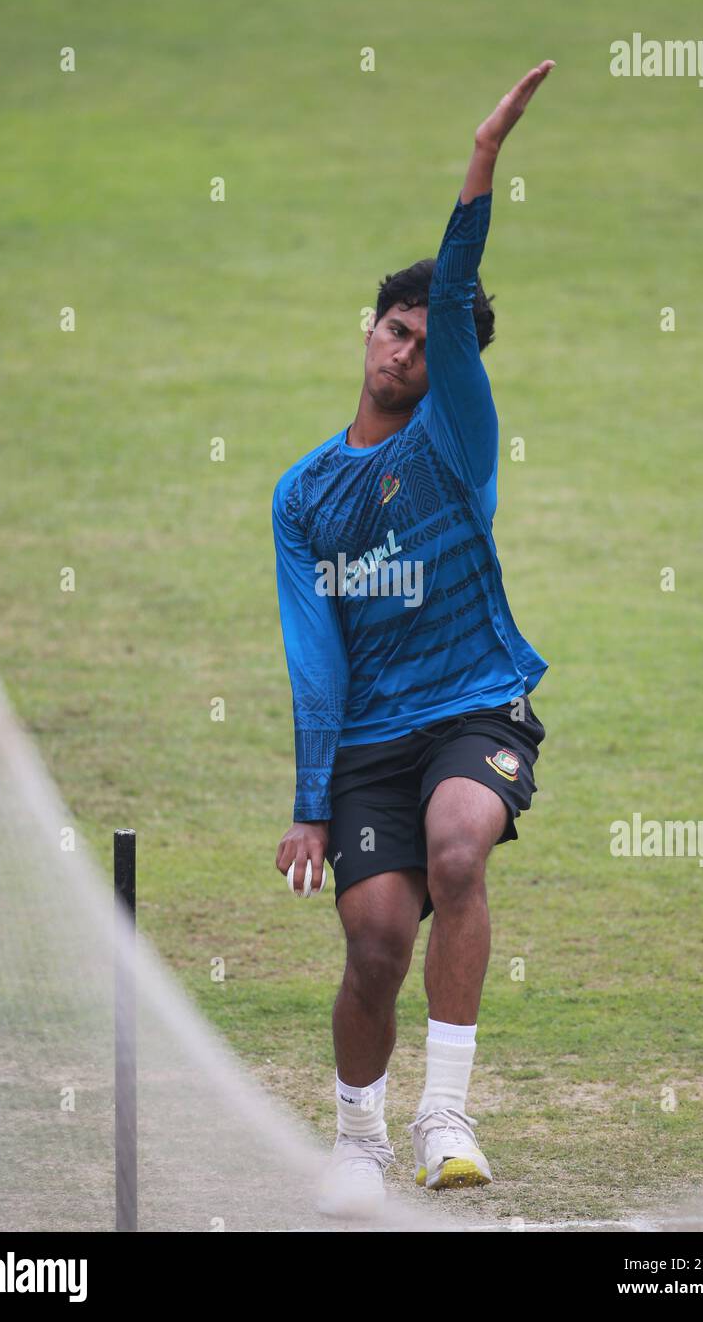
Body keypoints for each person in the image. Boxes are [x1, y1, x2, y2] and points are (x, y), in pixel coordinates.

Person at [272, 61, 555, 1217]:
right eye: (393, 331)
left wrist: (482, 158)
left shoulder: (455, 430)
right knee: (376, 940)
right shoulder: (303, 495)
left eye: (425, 341)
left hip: (477, 701)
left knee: (457, 847)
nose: (403, 352)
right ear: (367, 328)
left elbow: (456, 274)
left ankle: (447, 1114)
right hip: (368, 739)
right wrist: (308, 793)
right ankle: (357, 1135)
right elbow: (312, 652)